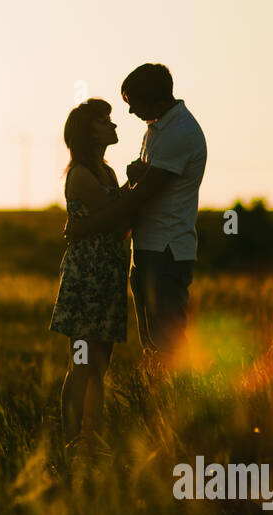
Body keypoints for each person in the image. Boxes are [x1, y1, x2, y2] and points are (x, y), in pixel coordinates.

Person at [64, 64, 207, 357]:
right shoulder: (157, 129)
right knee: (153, 344)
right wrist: (134, 178)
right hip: (148, 248)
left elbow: (137, 199)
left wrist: (82, 228)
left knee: (169, 343)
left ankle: (183, 398)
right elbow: (136, 193)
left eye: (133, 104)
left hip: (166, 251)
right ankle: (163, 400)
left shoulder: (179, 133)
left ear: (156, 101)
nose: (129, 114)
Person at [49, 99, 130, 463]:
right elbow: (116, 214)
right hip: (87, 279)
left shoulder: (108, 173)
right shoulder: (80, 174)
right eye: (104, 120)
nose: (113, 125)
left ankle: (90, 438)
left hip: (108, 276)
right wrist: (139, 184)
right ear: (88, 131)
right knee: (81, 362)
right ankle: (70, 441)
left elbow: (118, 212)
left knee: (101, 364)